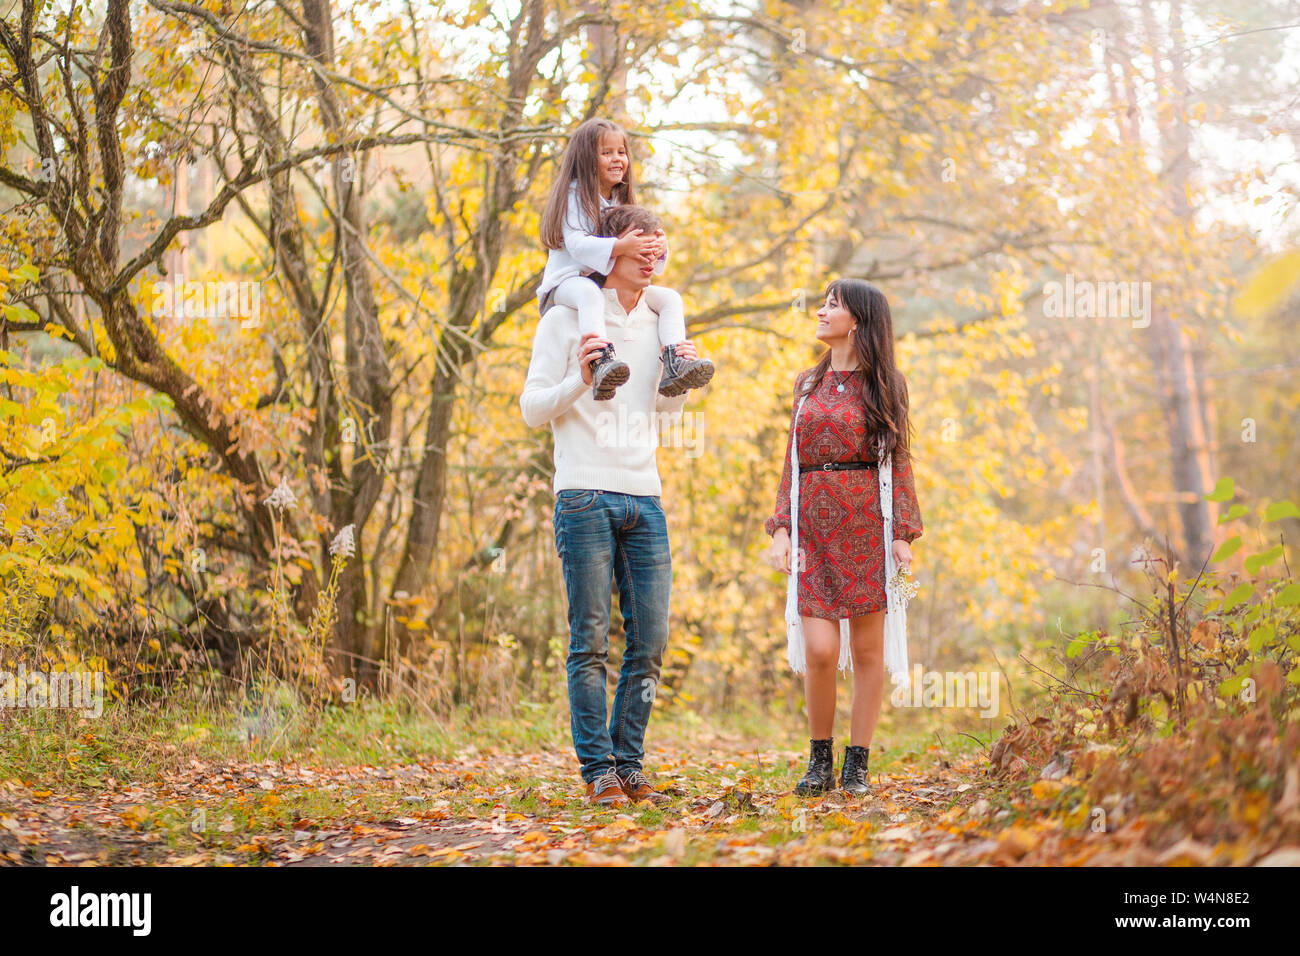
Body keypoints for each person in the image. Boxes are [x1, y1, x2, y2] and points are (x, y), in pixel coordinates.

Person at [520, 203, 703, 807]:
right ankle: (597, 770)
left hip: (645, 495)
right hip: (584, 493)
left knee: (649, 640)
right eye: (641, 247)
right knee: (590, 640)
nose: (653, 257)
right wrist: (579, 377)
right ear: (608, 251)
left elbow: (665, 414)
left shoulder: (660, 323)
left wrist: (681, 381)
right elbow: (532, 408)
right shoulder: (567, 320)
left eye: (660, 247)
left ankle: (630, 764)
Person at [764, 278, 923, 796]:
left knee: (869, 651)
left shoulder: (887, 384)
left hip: (866, 527)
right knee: (819, 650)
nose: (821, 311)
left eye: (832, 305)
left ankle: (857, 763)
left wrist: (902, 531)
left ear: (857, 319)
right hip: (813, 525)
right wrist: (781, 527)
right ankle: (819, 760)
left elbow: (899, 460)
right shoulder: (804, 385)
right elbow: (791, 462)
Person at [537, 117, 715, 401]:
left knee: (670, 299)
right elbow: (578, 246)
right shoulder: (575, 195)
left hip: (603, 283)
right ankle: (599, 361)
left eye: (621, 152)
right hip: (568, 283)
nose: (617, 159)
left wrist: (657, 244)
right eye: (606, 153)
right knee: (589, 294)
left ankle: (674, 362)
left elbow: (639, 255)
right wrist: (621, 246)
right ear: (585, 160)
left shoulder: (618, 199)